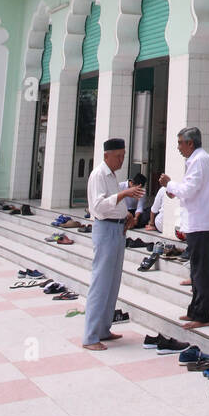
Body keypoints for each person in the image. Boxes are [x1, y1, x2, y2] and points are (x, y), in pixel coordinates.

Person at [83, 138, 144, 351]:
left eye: (124, 155)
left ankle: (103, 329)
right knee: (101, 282)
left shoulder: (111, 176)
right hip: (105, 230)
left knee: (113, 281)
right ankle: (90, 336)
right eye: (118, 155)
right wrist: (124, 194)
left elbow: (112, 199)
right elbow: (98, 206)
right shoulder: (98, 175)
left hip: (117, 229)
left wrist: (125, 212)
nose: (121, 159)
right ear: (106, 156)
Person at [160, 126, 209, 330]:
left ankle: (203, 314)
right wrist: (172, 189)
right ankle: (195, 309)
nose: (178, 148)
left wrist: (170, 184)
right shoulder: (195, 160)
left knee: (201, 270)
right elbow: (187, 190)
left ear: (190, 143)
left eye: (180, 143)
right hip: (196, 222)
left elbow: (188, 189)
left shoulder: (199, 160)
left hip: (200, 223)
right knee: (195, 269)